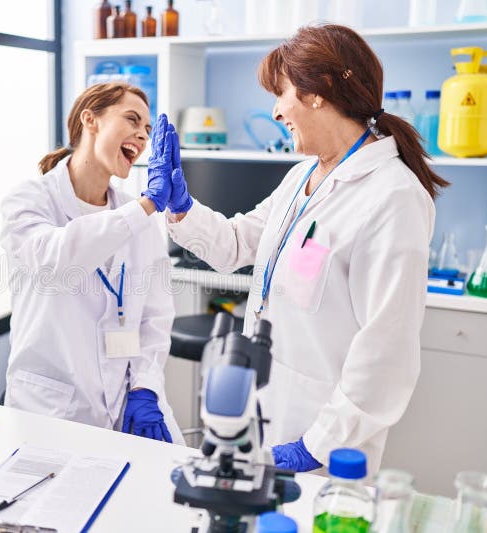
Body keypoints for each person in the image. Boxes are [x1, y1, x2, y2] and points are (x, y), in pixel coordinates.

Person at [151, 24, 449, 471]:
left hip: (326, 440)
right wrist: (181, 207)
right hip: (265, 411)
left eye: (282, 94)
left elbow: (388, 346)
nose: (275, 112)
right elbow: (238, 243)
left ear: (317, 91)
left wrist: (317, 446)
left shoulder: (393, 196)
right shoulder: (302, 177)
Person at [0, 82, 184, 444]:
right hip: (51, 407)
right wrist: (145, 208)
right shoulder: (30, 200)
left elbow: (155, 316)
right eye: (132, 120)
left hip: (126, 398)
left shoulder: (137, 216)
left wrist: (145, 387)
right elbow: (54, 262)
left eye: (147, 130)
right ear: (91, 120)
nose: (142, 136)